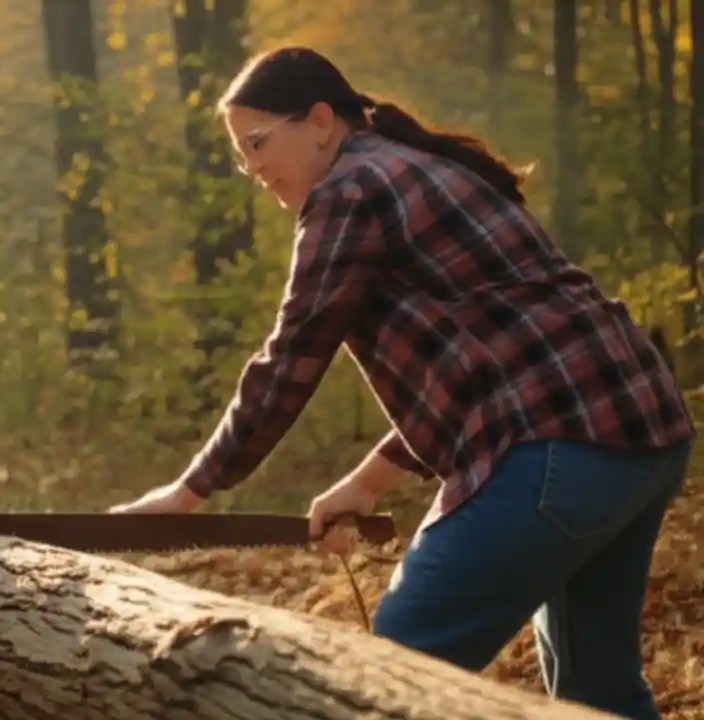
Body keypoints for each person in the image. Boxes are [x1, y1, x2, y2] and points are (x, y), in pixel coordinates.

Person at [111, 47, 693, 720]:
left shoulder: (349, 190)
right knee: (602, 693)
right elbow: (487, 369)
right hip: (642, 434)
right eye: (242, 156)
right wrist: (365, 485)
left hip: (560, 444)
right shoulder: (414, 169)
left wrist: (188, 494)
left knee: (385, 679)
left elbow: (293, 354)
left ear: (321, 121)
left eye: (259, 143)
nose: (255, 169)